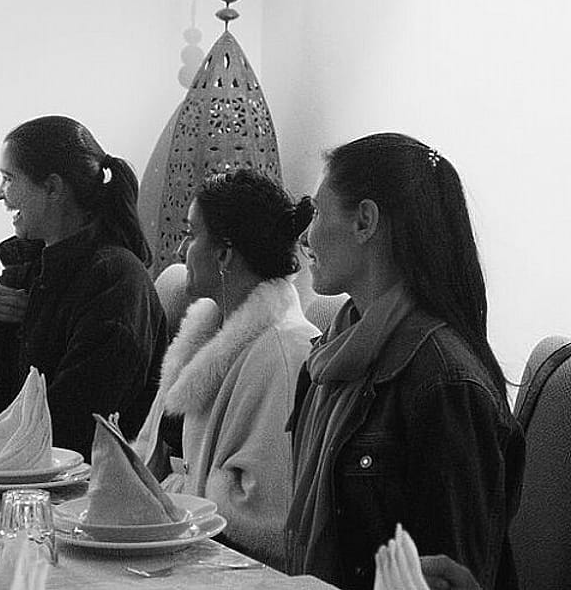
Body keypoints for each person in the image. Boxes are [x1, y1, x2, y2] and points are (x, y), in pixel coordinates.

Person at [285, 133, 523, 590]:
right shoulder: (328, 359)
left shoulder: (445, 384)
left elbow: (455, 576)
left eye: (316, 212)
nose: (305, 234)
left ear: (365, 222)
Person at [0, 115, 168, 458]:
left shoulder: (116, 283)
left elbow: (69, 431)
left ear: (52, 188)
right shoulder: (30, 270)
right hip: (26, 476)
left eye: (8, 179)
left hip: (78, 495)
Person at [137, 169, 318, 570]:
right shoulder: (205, 329)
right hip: (177, 538)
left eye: (191, 234)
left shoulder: (287, 352)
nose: (181, 250)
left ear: (223, 254)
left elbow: (268, 519)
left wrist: (175, 495)